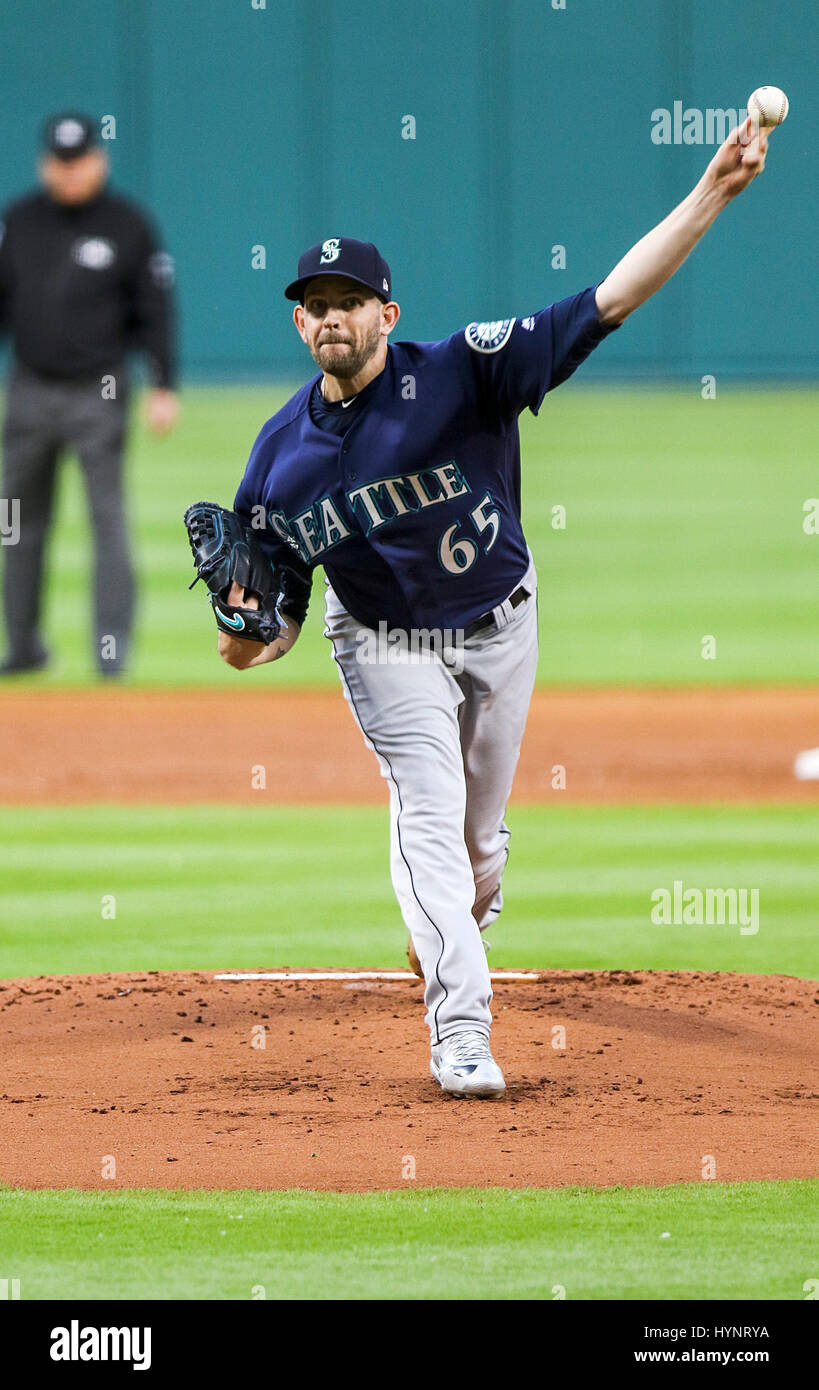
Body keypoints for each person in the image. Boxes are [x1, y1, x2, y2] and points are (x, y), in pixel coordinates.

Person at [215, 117, 770, 1097]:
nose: (331, 315)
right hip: (382, 643)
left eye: (350, 300)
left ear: (390, 312)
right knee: (423, 814)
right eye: (315, 303)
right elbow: (267, 636)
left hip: (503, 620)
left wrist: (713, 193)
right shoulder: (277, 460)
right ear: (298, 324)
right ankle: (459, 1031)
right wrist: (244, 625)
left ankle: (446, 931)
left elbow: (610, 300)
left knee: (477, 854)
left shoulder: (465, 370)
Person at [0, 112, 179, 677]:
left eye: (79, 161)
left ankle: (111, 658)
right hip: (29, 388)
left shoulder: (129, 224)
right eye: (60, 161)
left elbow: (155, 310)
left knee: (107, 523)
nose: (70, 172)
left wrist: (163, 384)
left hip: (97, 392)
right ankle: (24, 648)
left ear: (98, 161)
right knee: (17, 522)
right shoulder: (19, 221)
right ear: (44, 164)